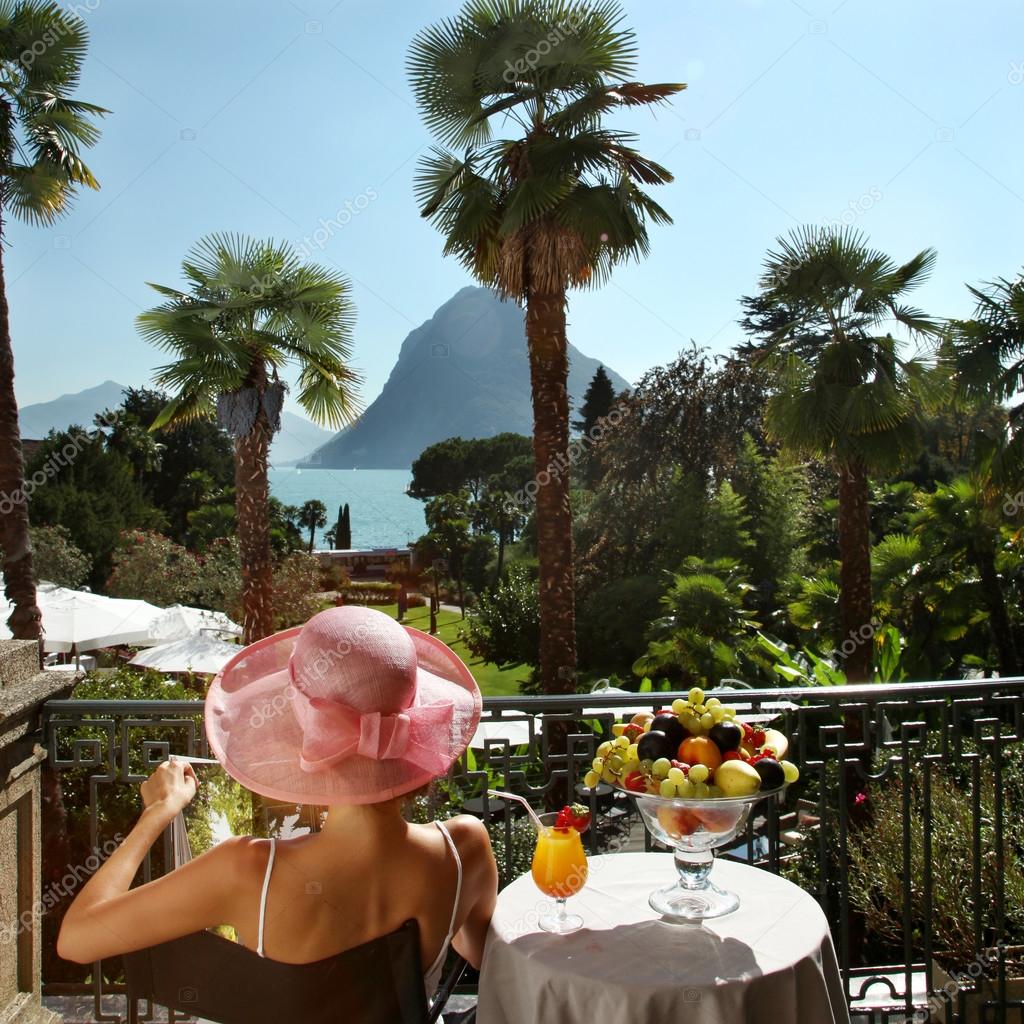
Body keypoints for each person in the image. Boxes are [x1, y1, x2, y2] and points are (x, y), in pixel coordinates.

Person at [58, 605, 498, 1001]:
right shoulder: (465, 849)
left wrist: (155, 814)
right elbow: (482, 954)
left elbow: (76, 938)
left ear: (300, 732)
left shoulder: (247, 871)